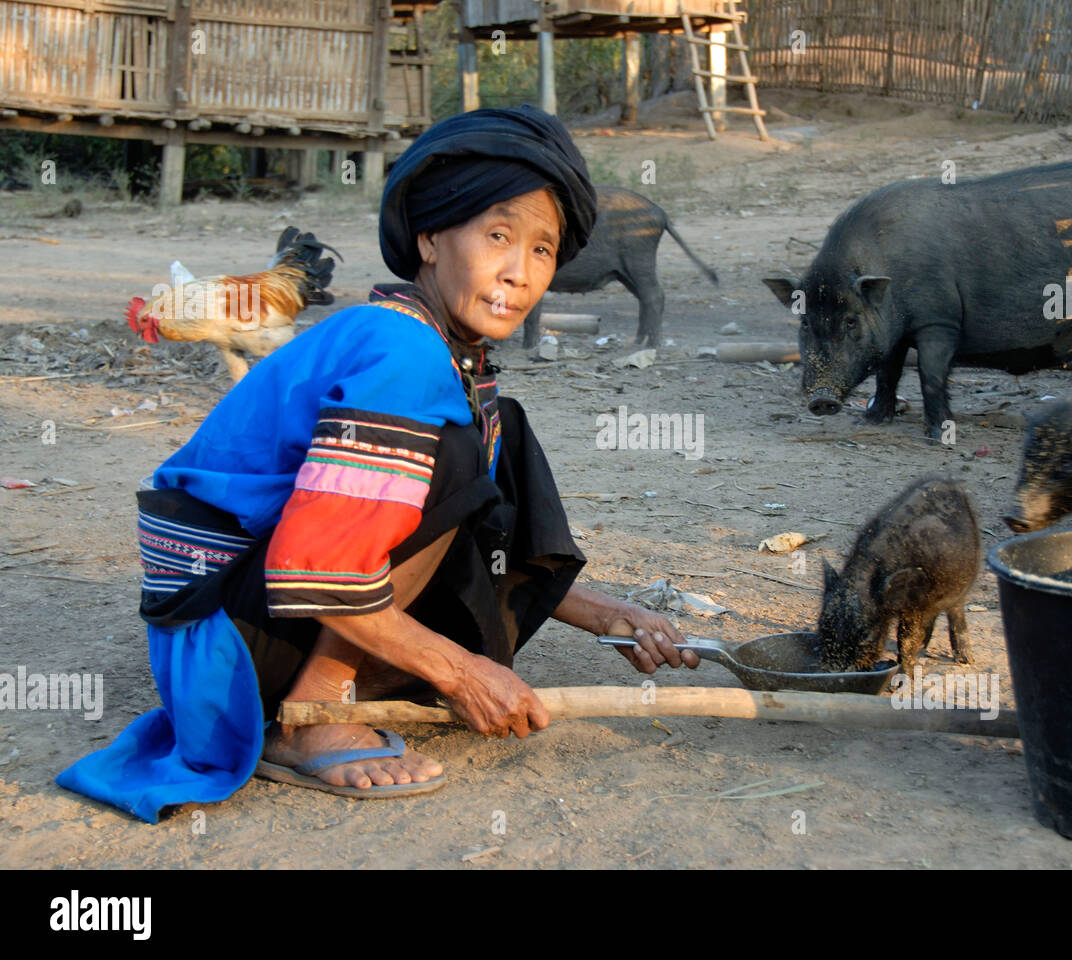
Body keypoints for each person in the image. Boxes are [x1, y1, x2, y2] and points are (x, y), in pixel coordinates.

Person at [57, 106, 699, 823]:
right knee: (451, 448)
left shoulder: (440, 351)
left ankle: (333, 681)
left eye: (543, 250)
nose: (519, 272)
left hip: (243, 615)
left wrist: (613, 614)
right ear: (428, 237)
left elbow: (466, 528)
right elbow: (319, 569)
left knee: (494, 432)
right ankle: (314, 715)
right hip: (220, 640)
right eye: (497, 236)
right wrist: (461, 671)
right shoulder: (402, 349)